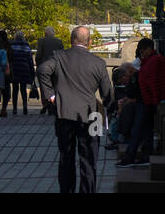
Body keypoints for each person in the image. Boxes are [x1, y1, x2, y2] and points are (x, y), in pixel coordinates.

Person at [37, 26, 114, 193]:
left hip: (64, 112)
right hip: (91, 115)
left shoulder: (59, 57)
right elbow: (107, 92)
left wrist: (51, 96)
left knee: (66, 157)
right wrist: (109, 107)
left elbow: (42, 70)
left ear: (71, 40)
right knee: (89, 159)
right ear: (90, 42)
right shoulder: (98, 63)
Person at [120, 37, 165, 168]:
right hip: (146, 101)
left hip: (147, 102)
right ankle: (144, 155)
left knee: (138, 130)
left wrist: (154, 102)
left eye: (143, 51)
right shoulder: (150, 61)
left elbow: (153, 83)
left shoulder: (153, 61)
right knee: (146, 130)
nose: (141, 54)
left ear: (149, 49)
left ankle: (130, 156)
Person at [35, 26, 65, 116]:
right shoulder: (59, 41)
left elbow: (38, 55)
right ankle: (55, 104)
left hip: (44, 67)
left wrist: (38, 65)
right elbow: (63, 54)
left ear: (45, 33)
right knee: (55, 86)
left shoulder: (42, 41)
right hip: (56, 67)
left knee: (44, 87)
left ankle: (46, 104)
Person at [8, 31, 36, 115]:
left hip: (15, 70)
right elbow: (30, 61)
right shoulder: (26, 46)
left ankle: (15, 108)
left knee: (15, 89)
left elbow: (9, 59)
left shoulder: (11, 46)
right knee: (23, 89)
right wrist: (32, 72)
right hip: (24, 69)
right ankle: (25, 106)